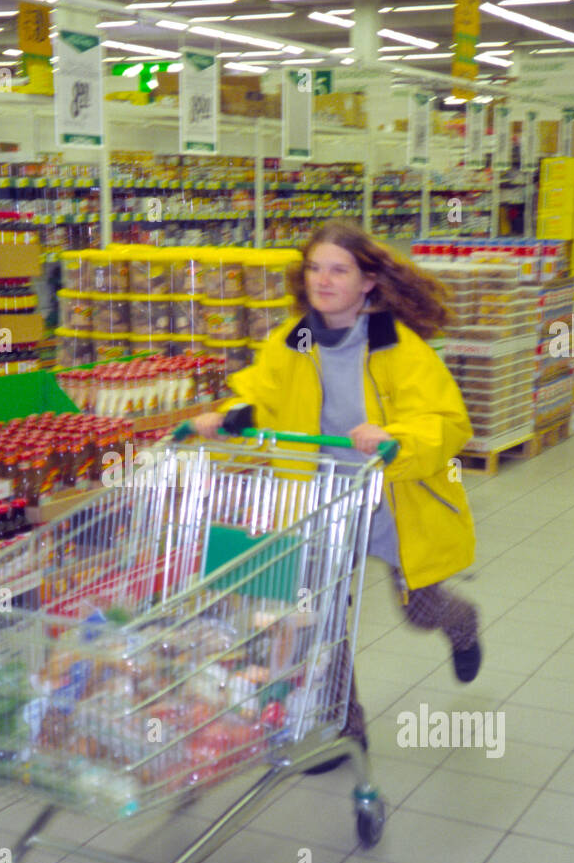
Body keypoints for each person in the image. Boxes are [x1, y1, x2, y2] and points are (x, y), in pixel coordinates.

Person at [190, 220, 481, 759]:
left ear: (368, 280)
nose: (323, 280)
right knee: (320, 617)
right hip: (319, 499)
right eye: (315, 268)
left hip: (391, 493)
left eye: (339, 270)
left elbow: (446, 421)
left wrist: (394, 436)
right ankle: (344, 729)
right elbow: (266, 396)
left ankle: (461, 625)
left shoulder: (399, 345)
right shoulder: (292, 340)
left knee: (419, 609)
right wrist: (231, 415)